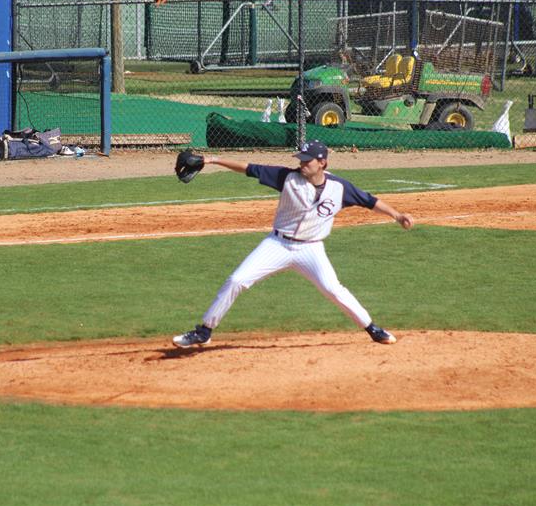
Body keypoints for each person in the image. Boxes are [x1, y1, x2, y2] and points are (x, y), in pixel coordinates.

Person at [172, 140, 414, 349]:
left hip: (311, 249)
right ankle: (204, 332)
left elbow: (370, 201)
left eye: (307, 160)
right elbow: (248, 168)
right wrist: (211, 160)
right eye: (301, 159)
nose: (302, 163)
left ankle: (372, 329)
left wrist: (397, 215)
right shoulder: (286, 178)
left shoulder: (340, 188)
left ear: (322, 163)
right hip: (277, 244)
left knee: (332, 288)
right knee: (237, 280)